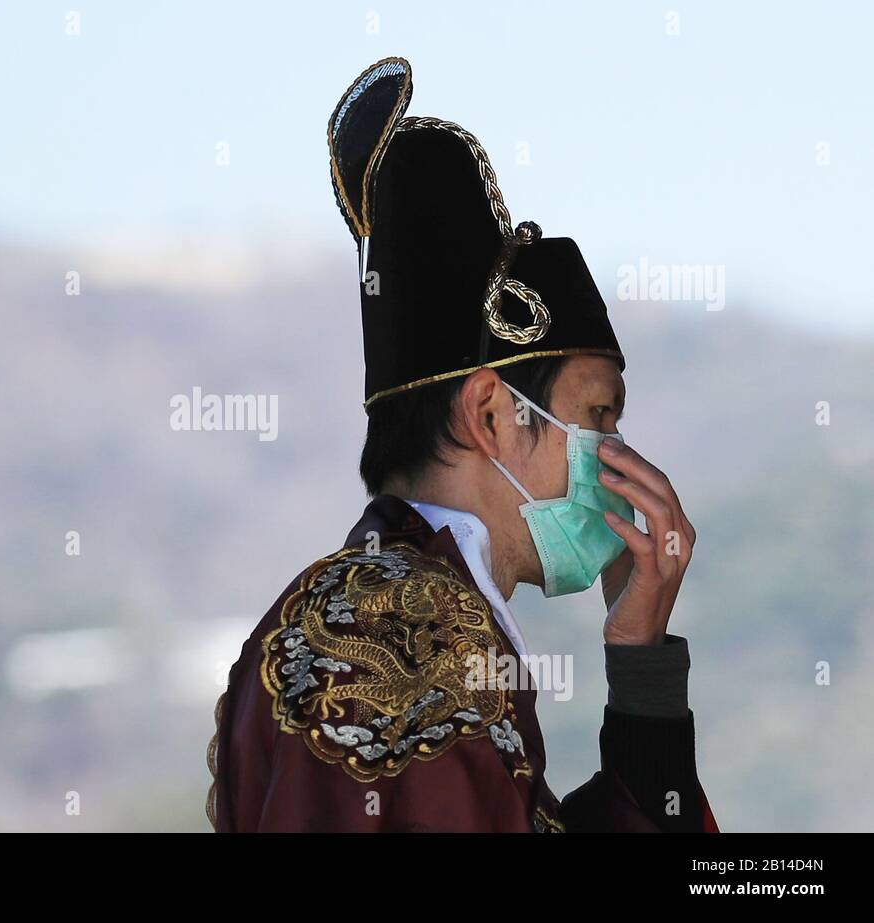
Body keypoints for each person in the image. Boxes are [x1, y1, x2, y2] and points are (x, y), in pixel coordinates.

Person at [206, 57, 717, 832]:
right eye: (601, 416)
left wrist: (640, 658)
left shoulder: (394, 612)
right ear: (492, 414)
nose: (620, 457)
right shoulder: (405, 641)